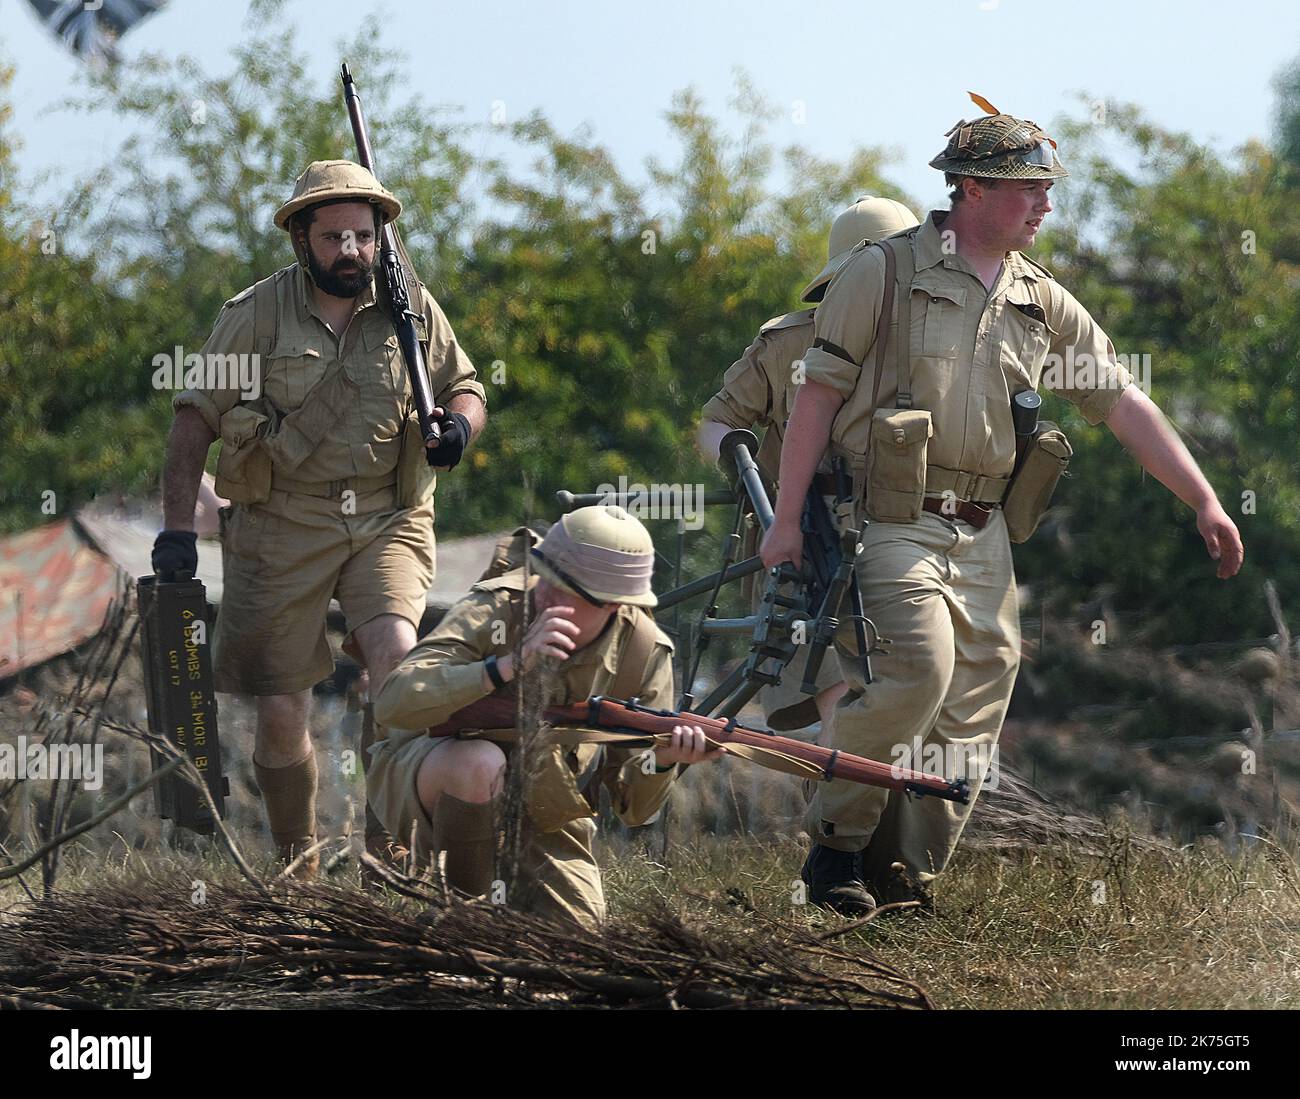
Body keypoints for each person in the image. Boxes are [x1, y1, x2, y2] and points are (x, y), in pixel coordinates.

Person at [760, 104, 1244, 914]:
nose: (1045, 205)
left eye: (1049, 189)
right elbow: (818, 393)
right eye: (1030, 189)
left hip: (984, 532)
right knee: (918, 668)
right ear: (973, 189)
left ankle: (903, 881)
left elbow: (1120, 402)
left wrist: (1204, 498)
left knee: (975, 705)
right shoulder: (881, 272)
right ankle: (834, 851)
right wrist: (785, 518)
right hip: (890, 518)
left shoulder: (1040, 297)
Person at [152, 160, 487, 876]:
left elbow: (466, 387)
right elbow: (193, 423)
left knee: (398, 668)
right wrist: (177, 533)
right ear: (301, 240)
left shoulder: (411, 307)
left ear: (379, 239)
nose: (351, 250)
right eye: (333, 235)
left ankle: (389, 856)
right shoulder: (255, 315)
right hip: (281, 518)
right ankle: (296, 870)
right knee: (282, 708)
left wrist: (457, 429)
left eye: (363, 236)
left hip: (387, 514)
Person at [369, 505, 721, 931]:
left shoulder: (643, 654)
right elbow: (395, 701)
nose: (546, 595)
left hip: (547, 805)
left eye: (566, 588)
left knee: (578, 938)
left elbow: (634, 810)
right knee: (478, 763)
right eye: (544, 575)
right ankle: (460, 921)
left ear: (613, 605)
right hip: (433, 772)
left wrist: (663, 761)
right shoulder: (498, 608)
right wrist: (505, 666)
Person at [697, 197, 919, 735]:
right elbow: (715, 421)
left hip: (909, 529)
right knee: (833, 703)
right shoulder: (790, 342)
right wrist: (746, 471)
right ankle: (839, 814)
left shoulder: (937, 344)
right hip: (808, 538)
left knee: (912, 688)